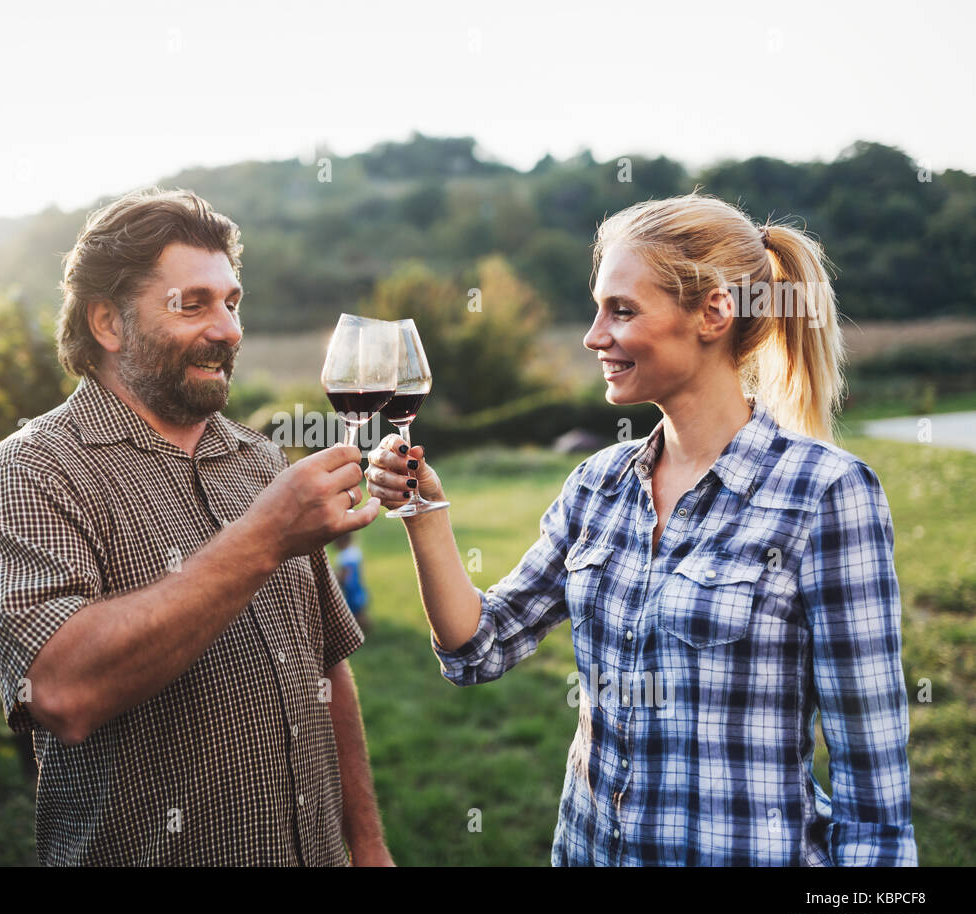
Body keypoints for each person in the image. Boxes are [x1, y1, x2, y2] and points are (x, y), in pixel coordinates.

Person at [366, 192, 917, 866]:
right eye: (598, 309)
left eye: (621, 311)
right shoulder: (598, 484)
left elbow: (874, 803)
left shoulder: (826, 494)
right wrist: (425, 513)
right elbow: (478, 648)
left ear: (713, 311)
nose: (594, 336)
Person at [0, 187, 393, 866]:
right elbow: (64, 691)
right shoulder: (32, 473)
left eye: (232, 302)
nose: (227, 329)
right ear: (108, 322)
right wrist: (264, 539)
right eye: (192, 304)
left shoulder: (259, 461)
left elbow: (328, 667)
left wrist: (367, 846)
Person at [332, 531, 370, 632]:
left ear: (340, 542)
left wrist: (333, 576)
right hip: (360, 588)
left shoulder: (344, 556)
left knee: (355, 613)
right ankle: (366, 629)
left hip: (351, 591)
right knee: (359, 612)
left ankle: (362, 630)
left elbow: (345, 575)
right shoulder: (355, 551)